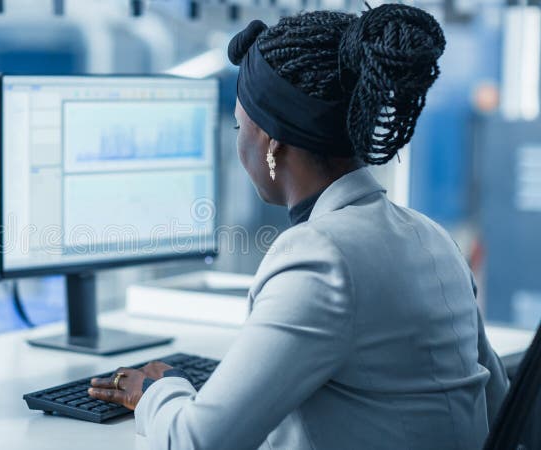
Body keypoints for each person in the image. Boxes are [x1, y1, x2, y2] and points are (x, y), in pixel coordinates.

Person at [87, 4, 509, 449]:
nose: (236, 141)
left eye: (238, 125)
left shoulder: (320, 257)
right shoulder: (432, 238)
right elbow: (498, 404)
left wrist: (158, 392)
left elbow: (198, 442)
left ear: (272, 145)